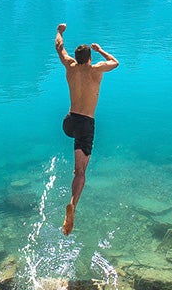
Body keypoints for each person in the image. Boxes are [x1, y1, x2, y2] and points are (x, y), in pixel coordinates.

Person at [54, 22, 119, 235]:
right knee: (81, 172)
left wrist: (60, 31)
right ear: (89, 58)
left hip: (69, 122)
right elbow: (115, 62)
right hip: (84, 124)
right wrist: (100, 50)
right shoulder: (95, 70)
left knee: (78, 159)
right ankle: (73, 204)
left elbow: (59, 47)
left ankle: (77, 165)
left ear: (77, 57)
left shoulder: (70, 67)